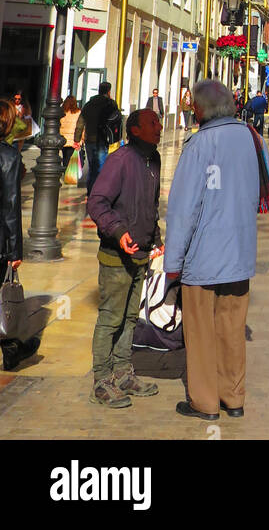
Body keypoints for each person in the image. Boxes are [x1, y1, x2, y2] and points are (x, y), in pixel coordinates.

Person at [164, 79, 269, 420]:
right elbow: (261, 189)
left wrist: (173, 261)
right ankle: (233, 397)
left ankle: (205, 402)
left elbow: (184, 208)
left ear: (200, 109)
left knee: (200, 331)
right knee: (232, 328)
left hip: (204, 255)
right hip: (240, 253)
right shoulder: (252, 138)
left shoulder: (200, 144)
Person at [86, 108, 163, 408]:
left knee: (130, 317)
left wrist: (155, 238)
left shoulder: (152, 159)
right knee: (110, 318)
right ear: (134, 130)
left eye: (158, 121)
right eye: (152, 123)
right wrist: (118, 232)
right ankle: (101, 381)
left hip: (141, 254)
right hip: (116, 256)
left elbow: (151, 205)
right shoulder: (121, 160)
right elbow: (97, 201)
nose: (159, 127)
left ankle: (122, 372)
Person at [0, 98, 41, 372]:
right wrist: (15, 251)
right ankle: (12, 348)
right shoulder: (9, 157)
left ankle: (13, 348)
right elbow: (10, 205)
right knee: (4, 297)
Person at [74, 82, 122, 194]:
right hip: (102, 138)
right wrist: (117, 137)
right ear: (108, 91)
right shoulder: (110, 104)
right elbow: (116, 121)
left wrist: (76, 139)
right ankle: (98, 191)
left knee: (92, 166)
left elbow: (80, 123)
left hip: (89, 139)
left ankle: (91, 190)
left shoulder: (89, 104)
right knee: (101, 166)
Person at [60, 95, 82, 169]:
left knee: (65, 157)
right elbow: (81, 127)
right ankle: (69, 175)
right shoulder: (78, 113)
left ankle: (65, 171)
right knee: (71, 159)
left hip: (63, 139)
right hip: (74, 140)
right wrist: (81, 140)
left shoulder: (62, 112)